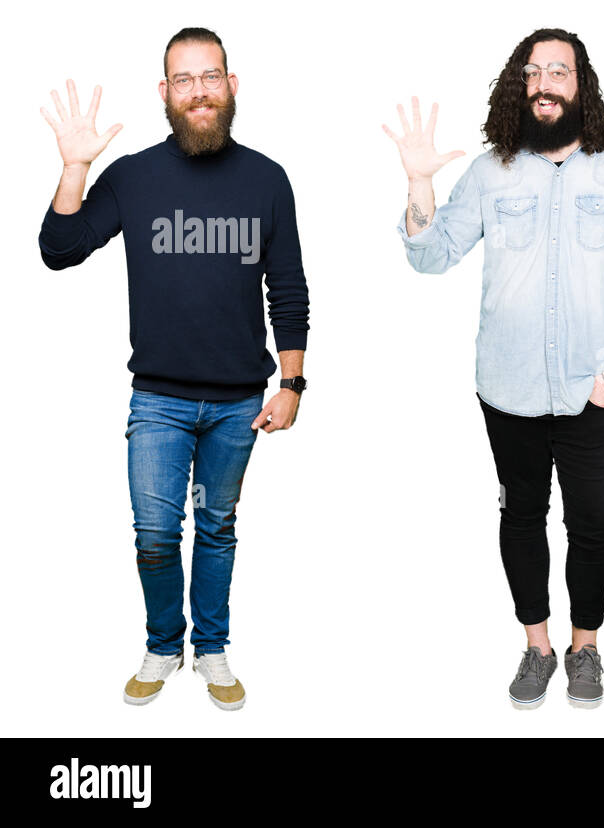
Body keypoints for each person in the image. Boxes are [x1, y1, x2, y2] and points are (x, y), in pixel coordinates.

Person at [385, 28, 604, 709]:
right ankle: (538, 646)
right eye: (533, 72)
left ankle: (586, 648)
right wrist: (420, 182)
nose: (545, 83)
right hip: (505, 391)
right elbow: (430, 255)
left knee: (593, 522)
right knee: (522, 517)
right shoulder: (490, 171)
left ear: (581, 85)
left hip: (592, 391)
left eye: (559, 72)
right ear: (520, 85)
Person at [38, 27, 310, 711]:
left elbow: (289, 288)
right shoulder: (134, 176)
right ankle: (165, 645)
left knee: (217, 527)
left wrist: (293, 382)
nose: (198, 92)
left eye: (209, 77)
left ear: (232, 85)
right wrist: (74, 168)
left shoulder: (267, 179)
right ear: (165, 93)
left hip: (239, 402)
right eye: (183, 80)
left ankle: (211, 648)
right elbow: (60, 248)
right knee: (156, 534)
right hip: (157, 398)